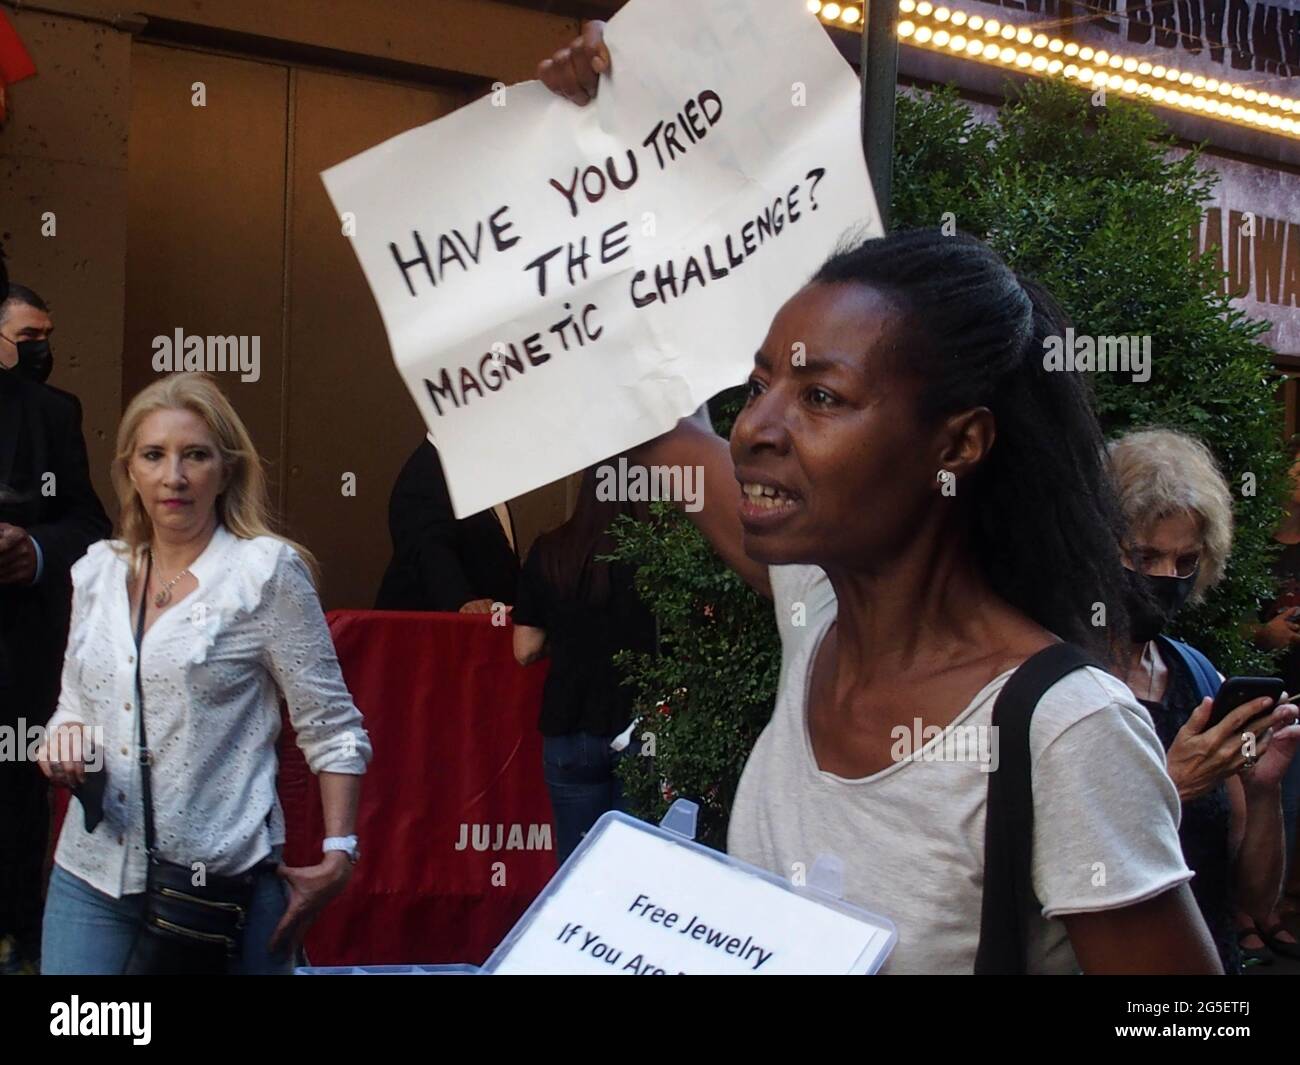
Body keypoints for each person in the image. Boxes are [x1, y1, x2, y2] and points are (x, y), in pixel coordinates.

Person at [540, 24, 1223, 975]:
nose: (753, 427)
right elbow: (654, 401)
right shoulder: (815, 609)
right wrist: (601, 142)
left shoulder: (1067, 731)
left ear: (959, 443)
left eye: (822, 396)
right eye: (763, 381)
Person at [36, 372, 372, 974]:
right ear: (130, 471)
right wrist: (64, 742)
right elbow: (73, 705)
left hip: (218, 891)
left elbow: (332, 725)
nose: (175, 477)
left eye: (195, 455)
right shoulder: (97, 573)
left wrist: (339, 851)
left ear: (227, 469)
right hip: (89, 875)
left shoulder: (262, 575)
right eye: (154, 456)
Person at [1109, 428, 1300, 972]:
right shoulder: (1048, 681)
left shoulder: (1195, 675)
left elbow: (1252, 901)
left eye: (1185, 561)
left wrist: (1262, 793)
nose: (1166, 578)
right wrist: (1173, 788)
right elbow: (1030, 868)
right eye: (1143, 557)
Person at [0, 276, 111, 975]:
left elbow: (90, 524)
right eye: (29, 338)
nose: (43, 352)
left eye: (46, 339)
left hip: (16, 654)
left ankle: (20, 942)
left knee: (13, 798)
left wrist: (32, 551)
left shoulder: (51, 414)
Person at [511, 462, 656, 862]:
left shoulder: (549, 550)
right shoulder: (655, 555)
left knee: (577, 869)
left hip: (569, 729)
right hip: (640, 729)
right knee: (637, 871)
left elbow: (524, 649)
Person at [1250, 438, 1300, 957]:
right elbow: (1221, 612)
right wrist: (1263, 634)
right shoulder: (1253, 541)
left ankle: (1274, 910)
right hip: (1267, 693)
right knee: (1269, 800)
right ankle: (1252, 914)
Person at [375, 438, 519, 614]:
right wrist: (461, 600)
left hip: (492, 629)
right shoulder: (425, 472)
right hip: (433, 634)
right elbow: (428, 547)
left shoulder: (476, 470)